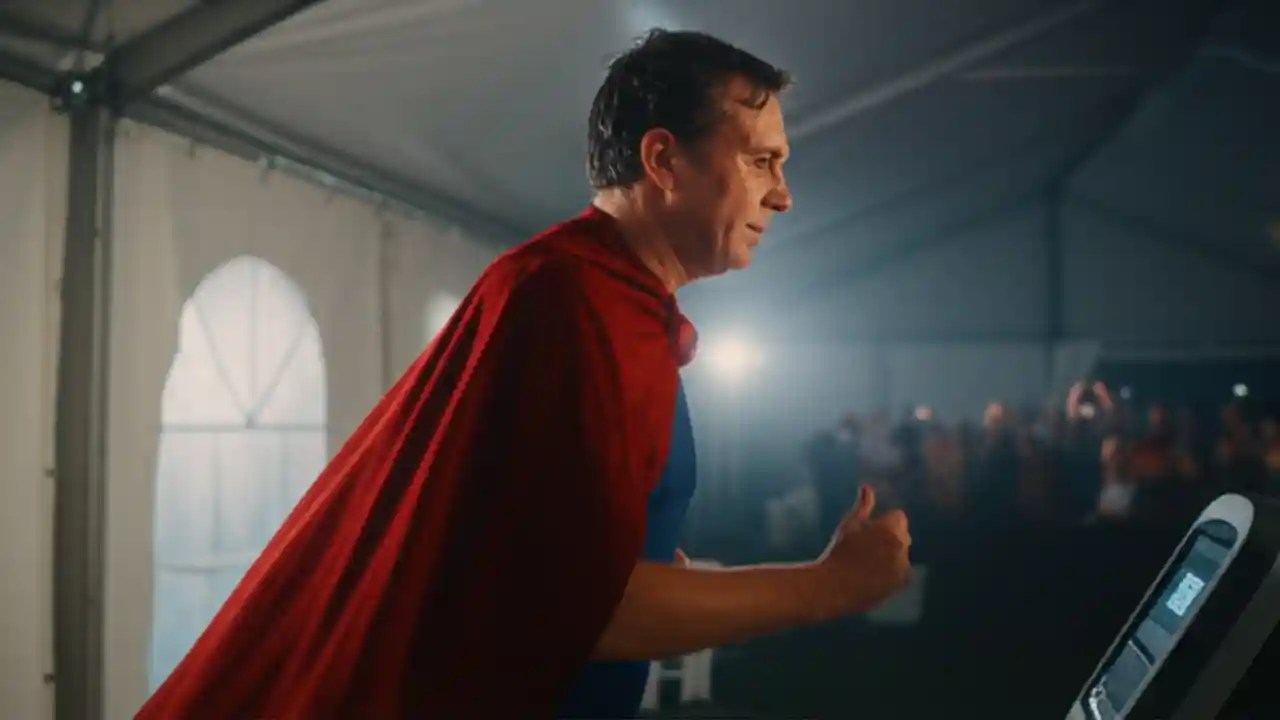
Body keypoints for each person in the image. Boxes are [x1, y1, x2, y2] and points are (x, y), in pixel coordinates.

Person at [135, 29, 911, 720]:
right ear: (664, 160)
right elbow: (580, 609)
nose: (783, 194)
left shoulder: (604, 296)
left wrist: (655, 571)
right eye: (760, 161)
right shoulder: (576, 300)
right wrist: (825, 586)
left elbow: (526, 548)